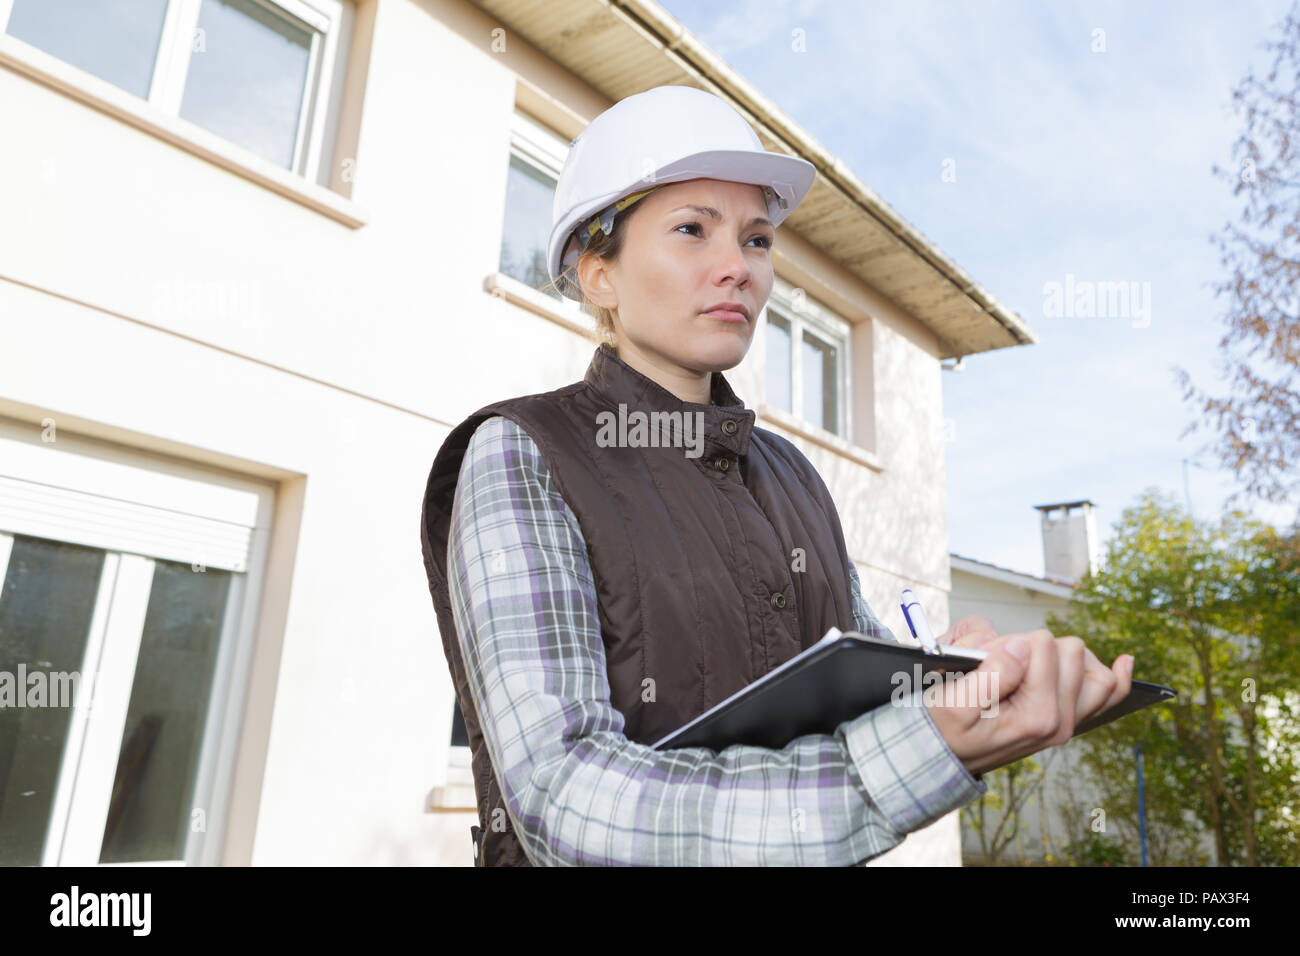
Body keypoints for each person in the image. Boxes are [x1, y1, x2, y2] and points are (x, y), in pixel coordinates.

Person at [419, 85, 1134, 867]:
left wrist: (951, 681)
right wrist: (908, 760)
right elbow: (563, 797)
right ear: (600, 276)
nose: (737, 267)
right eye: (692, 230)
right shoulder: (523, 451)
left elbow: (861, 690)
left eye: (757, 240)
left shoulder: (792, 474)